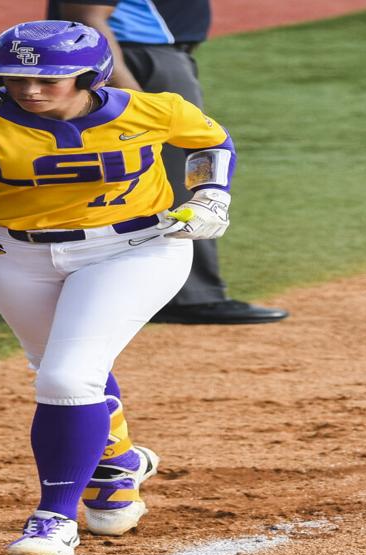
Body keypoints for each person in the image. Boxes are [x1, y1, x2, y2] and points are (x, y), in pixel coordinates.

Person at [0, 20, 237, 555]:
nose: (29, 90)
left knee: (67, 375)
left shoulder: (153, 109)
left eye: (50, 79)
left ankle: (53, 519)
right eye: (13, 78)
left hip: (135, 248)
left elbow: (211, 142)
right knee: (64, 367)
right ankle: (117, 465)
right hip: (11, 257)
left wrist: (211, 194)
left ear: (90, 76)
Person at [51, 0, 287, 325]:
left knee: (149, 179)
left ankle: (135, 292)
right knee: (179, 176)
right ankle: (190, 296)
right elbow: (87, 16)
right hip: (134, 61)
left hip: (143, 56)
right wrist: (135, 99)